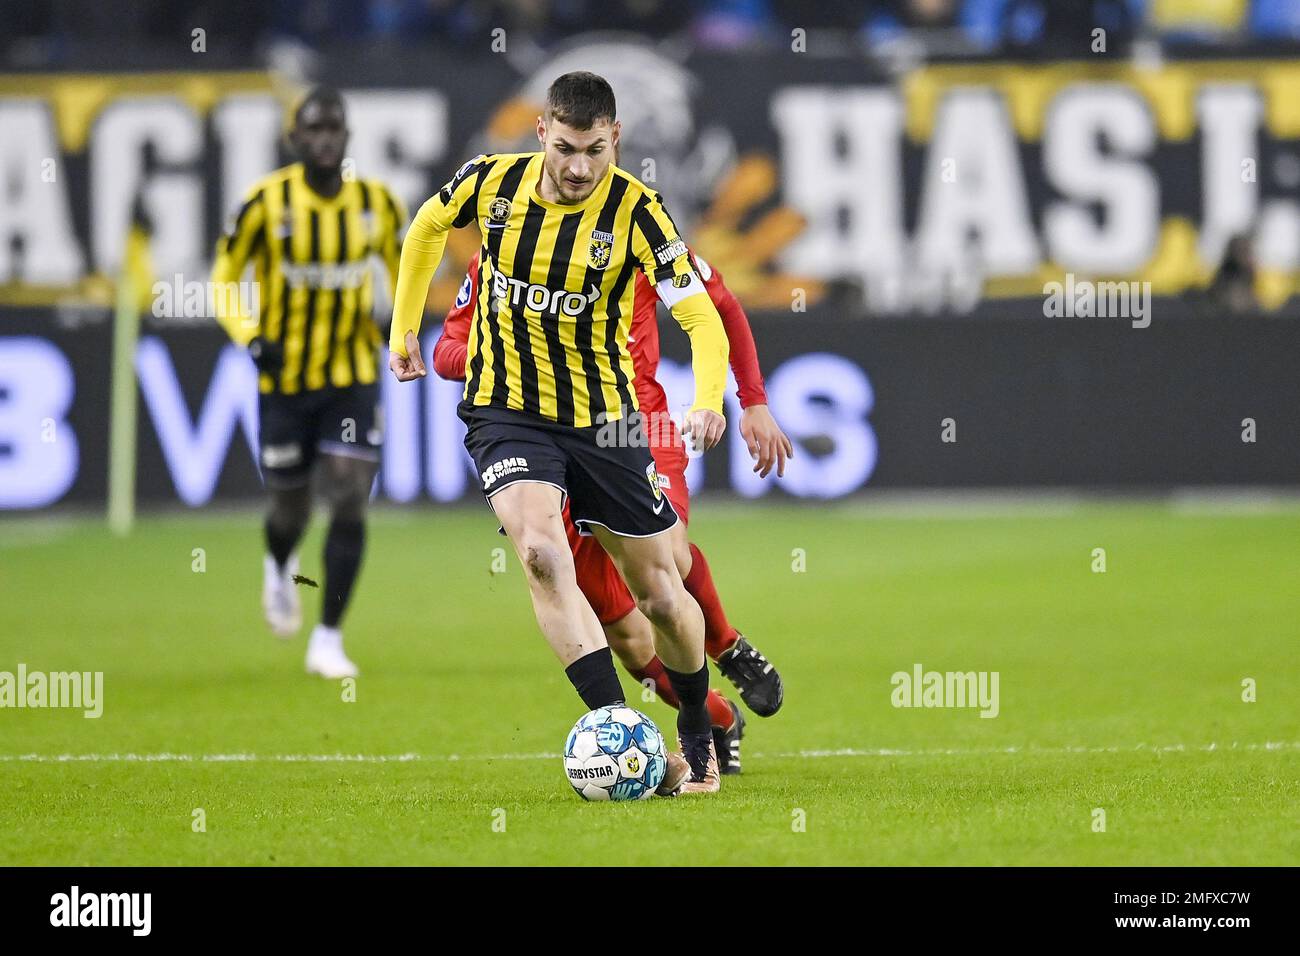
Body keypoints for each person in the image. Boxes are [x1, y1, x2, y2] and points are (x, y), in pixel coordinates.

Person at [389, 71, 730, 794]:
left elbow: (698, 313)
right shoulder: (490, 183)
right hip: (506, 411)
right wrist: (404, 330)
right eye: (567, 148)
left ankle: (697, 727)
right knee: (542, 554)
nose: (579, 167)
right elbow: (424, 226)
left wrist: (707, 398)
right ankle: (620, 732)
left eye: (596, 151)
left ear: (617, 141)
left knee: (662, 593)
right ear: (541, 132)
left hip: (606, 422)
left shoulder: (638, 212)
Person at [434, 242, 791, 774]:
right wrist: (494, 356)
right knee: (626, 637)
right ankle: (716, 719)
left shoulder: (638, 235)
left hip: (631, 425)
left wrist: (753, 399)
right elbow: (447, 350)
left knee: (664, 556)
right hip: (542, 439)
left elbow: (721, 307)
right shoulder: (501, 253)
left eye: (592, 153)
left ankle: (725, 644)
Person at [212, 87, 406, 679]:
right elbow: (223, 280)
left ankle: (327, 637)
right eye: (313, 130)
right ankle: (280, 566)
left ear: (346, 138)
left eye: (334, 130)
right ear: (295, 139)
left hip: (351, 378)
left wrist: (395, 324)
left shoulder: (377, 205)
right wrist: (250, 337)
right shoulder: (264, 205)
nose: (324, 140)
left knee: (348, 492)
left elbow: (407, 277)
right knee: (289, 507)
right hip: (285, 380)